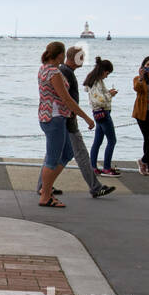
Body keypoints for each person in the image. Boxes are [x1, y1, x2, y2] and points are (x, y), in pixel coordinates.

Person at [37, 41, 95, 208]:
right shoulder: (54, 72)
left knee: (67, 152)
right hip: (54, 117)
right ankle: (45, 195)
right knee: (52, 159)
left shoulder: (44, 68)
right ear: (61, 55)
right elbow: (66, 98)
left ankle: (46, 189)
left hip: (49, 115)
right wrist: (85, 117)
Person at [58, 47, 115, 198]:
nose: (83, 60)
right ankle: (95, 187)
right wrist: (84, 117)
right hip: (68, 121)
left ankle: (43, 186)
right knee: (81, 154)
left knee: (58, 154)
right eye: (81, 57)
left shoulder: (65, 71)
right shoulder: (66, 72)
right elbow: (67, 99)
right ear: (74, 58)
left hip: (66, 120)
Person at [84, 57, 120, 176]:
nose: (107, 76)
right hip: (103, 113)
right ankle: (106, 168)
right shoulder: (96, 82)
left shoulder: (94, 81)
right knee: (112, 140)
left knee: (98, 141)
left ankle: (93, 166)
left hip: (98, 114)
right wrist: (110, 94)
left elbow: (97, 96)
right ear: (104, 71)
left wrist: (108, 93)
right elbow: (98, 100)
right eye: (107, 74)